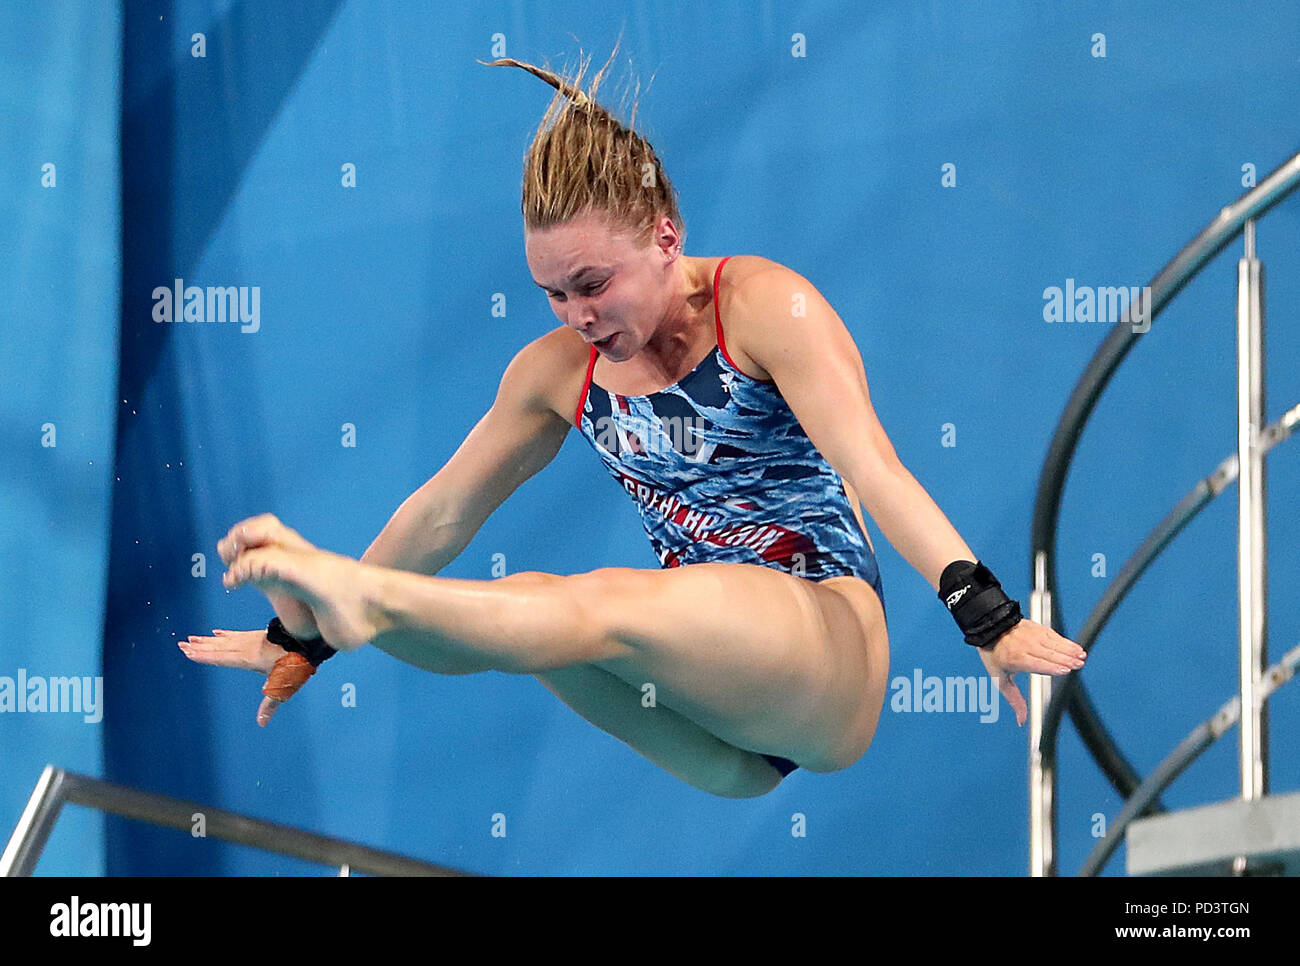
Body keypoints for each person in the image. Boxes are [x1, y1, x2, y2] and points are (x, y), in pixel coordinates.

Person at [180, 51, 1086, 799]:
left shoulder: (767, 309)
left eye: (592, 284)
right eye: (552, 293)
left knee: (596, 606)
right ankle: (331, 616)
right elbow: (443, 515)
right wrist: (304, 647)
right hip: (715, 728)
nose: (575, 313)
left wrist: (986, 615)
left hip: (824, 646)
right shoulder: (554, 375)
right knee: (525, 615)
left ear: (664, 234)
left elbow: (876, 471)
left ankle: (347, 598)